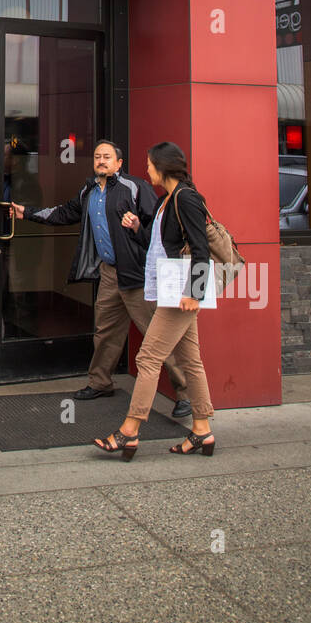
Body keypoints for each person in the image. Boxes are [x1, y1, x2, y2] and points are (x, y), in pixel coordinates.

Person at [10, 140, 192, 417]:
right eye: (97, 157)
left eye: (107, 157)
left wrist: (137, 230)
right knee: (105, 332)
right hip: (109, 273)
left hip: (139, 275)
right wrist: (27, 213)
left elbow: (158, 226)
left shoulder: (135, 187)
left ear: (119, 163)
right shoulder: (89, 190)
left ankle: (185, 394)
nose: (101, 161)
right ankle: (100, 382)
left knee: (158, 337)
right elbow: (64, 213)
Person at [94, 141, 216, 461]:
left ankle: (129, 430)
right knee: (191, 360)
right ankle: (202, 430)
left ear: (163, 167)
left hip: (180, 293)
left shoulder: (187, 198)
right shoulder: (167, 200)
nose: (147, 170)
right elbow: (159, 245)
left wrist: (195, 293)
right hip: (171, 288)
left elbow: (200, 248)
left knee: (148, 358)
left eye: (149, 165)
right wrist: (137, 227)